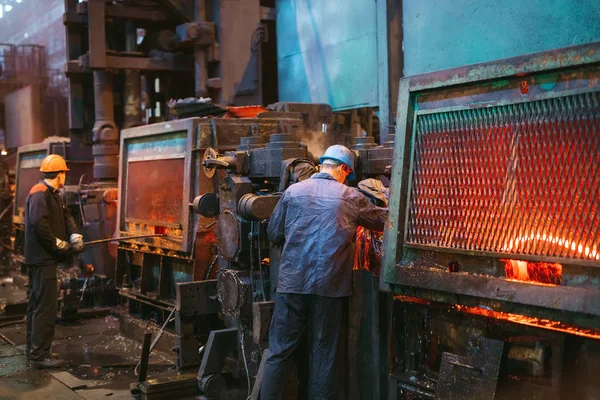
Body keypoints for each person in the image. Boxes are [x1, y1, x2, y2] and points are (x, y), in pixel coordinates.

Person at [261, 145, 389, 399]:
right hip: (329, 287)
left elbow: (273, 233)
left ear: (323, 164)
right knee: (324, 354)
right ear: (343, 169)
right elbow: (383, 222)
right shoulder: (349, 196)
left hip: (292, 284)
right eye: (348, 173)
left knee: (279, 352)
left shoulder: (292, 191)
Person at [24, 154, 84, 369]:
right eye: (64, 173)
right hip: (42, 260)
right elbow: (39, 225)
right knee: (45, 307)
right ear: (59, 174)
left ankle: (34, 349)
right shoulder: (39, 194)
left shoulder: (52, 194)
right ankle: (40, 355)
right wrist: (57, 244)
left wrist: (75, 236)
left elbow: (66, 216)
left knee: (37, 304)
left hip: (44, 259)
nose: (65, 176)